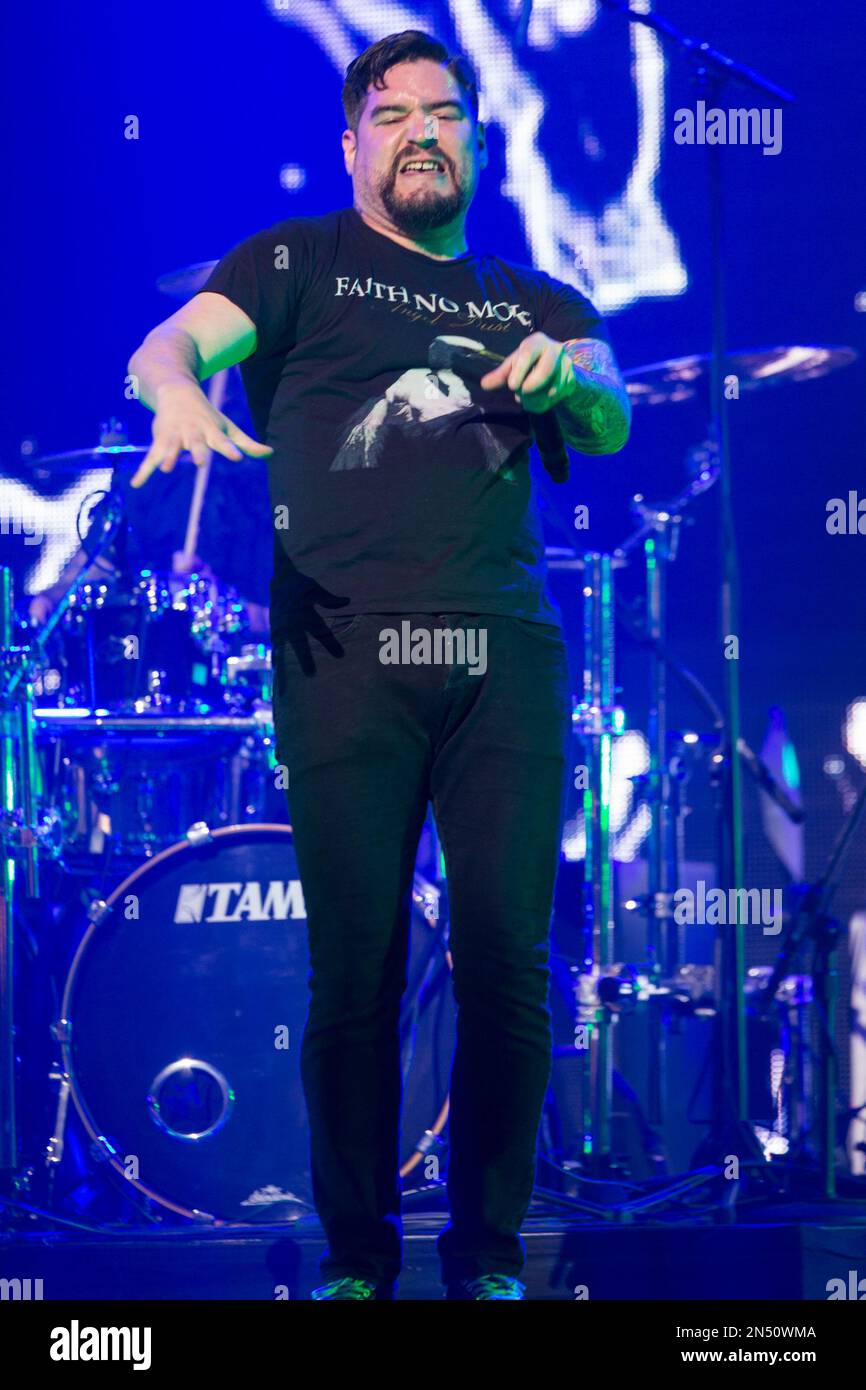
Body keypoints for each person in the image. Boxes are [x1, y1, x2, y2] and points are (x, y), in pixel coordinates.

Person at [126, 29, 630, 1300]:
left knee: (507, 963)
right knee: (355, 966)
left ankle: (488, 1259)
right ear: (353, 141)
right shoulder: (297, 260)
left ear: (473, 138)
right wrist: (180, 394)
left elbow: (613, 408)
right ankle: (358, 1260)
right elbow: (169, 344)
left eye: (444, 112)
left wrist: (567, 375)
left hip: (500, 657)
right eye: (393, 112)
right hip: (341, 652)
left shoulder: (531, 298)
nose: (421, 130)